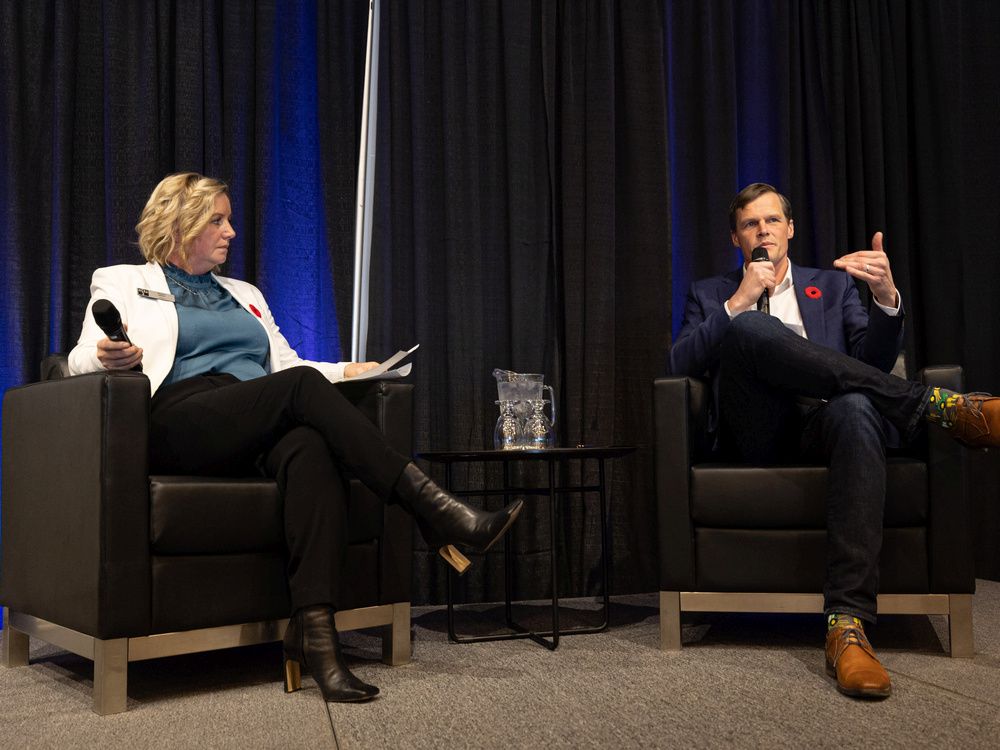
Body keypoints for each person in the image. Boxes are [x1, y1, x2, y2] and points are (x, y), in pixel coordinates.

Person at [68, 172, 523, 703]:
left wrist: (351, 371)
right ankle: (435, 511)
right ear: (178, 223)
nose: (231, 231)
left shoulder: (246, 295)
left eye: (228, 218)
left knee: (309, 448)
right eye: (217, 219)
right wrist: (105, 355)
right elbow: (78, 357)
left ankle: (318, 643)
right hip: (181, 417)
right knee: (301, 398)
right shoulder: (121, 281)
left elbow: (288, 367)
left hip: (254, 416)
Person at [668, 182, 1000, 700]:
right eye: (751, 224)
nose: (763, 231)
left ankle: (847, 626)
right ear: (736, 237)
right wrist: (737, 303)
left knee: (858, 404)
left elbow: (867, 362)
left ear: (790, 229)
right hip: (756, 430)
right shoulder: (710, 292)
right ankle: (935, 406)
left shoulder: (834, 286)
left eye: (772, 220)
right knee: (751, 331)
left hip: (826, 424)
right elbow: (680, 363)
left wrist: (886, 300)